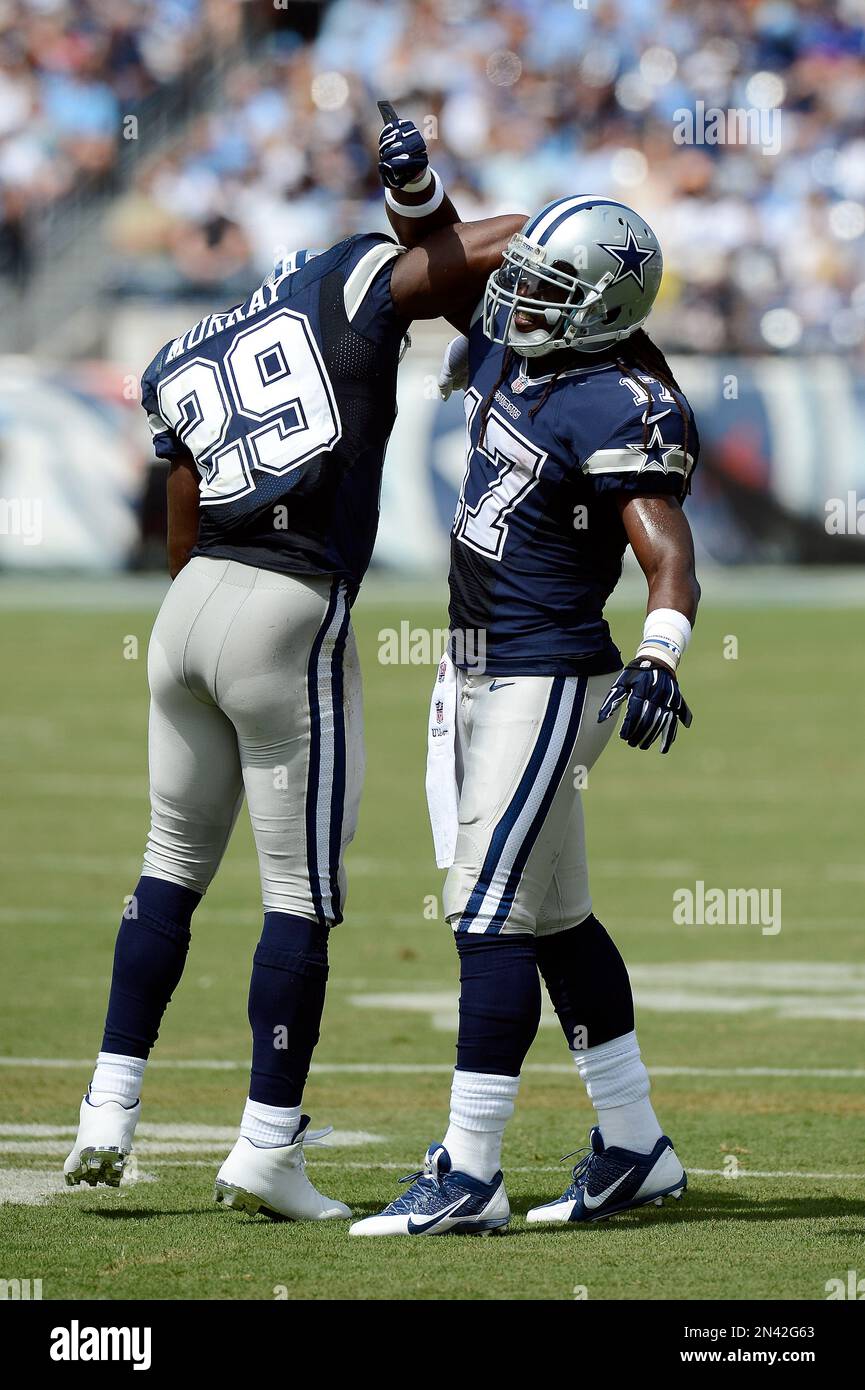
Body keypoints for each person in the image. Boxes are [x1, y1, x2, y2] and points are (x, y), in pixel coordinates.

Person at [62, 152, 525, 1221]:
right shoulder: (355, 272)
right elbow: (471, 253)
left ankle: (106, 1105)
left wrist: (210, 620)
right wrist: (567, 224)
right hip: (288, 604)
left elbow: (179, 511)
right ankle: (267, 1144)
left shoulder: (189, 344)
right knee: (300, 893)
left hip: (188, 611)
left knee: (168, 865)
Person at [351, 119, 700, 1236]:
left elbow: (667, 550)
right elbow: (451, 258)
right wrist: (417, 187)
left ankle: (469, 1171)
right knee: (551, 917)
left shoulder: (615, 400)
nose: (520, 298)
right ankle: (635, 1144)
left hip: (544, 676)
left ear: (600, 306)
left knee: (485, 917)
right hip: (477, 668)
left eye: (550, 285)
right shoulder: (519, 338)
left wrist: (660, 649)